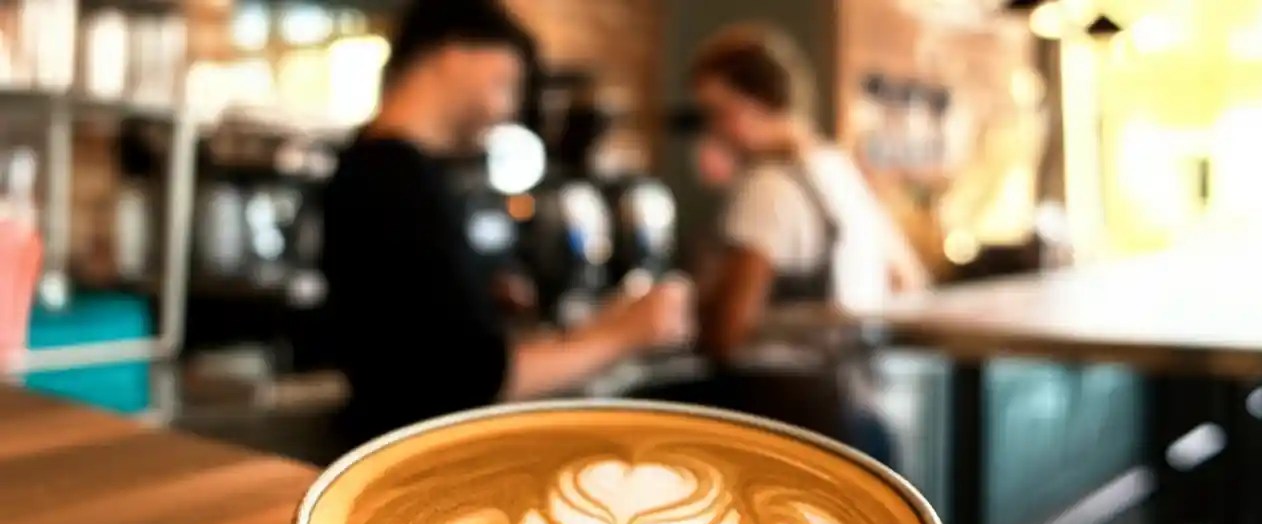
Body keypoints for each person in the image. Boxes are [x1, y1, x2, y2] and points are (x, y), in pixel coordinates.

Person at [322, 1, 691, 443]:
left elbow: (433, 345)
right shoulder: (391, 179)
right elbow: (472, 379)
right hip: (413, 454)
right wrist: (626, 333)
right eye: (504, 83)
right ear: (454, 54)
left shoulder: (391, 168)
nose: (507, 109)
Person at [684, 25, 927, 465]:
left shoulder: (767, 186)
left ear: (753, 103)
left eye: (716, 112)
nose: (714, 130)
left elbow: (725, 333)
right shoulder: (837, 167)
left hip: (793, 417)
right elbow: (907, 278)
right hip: (862, 412)